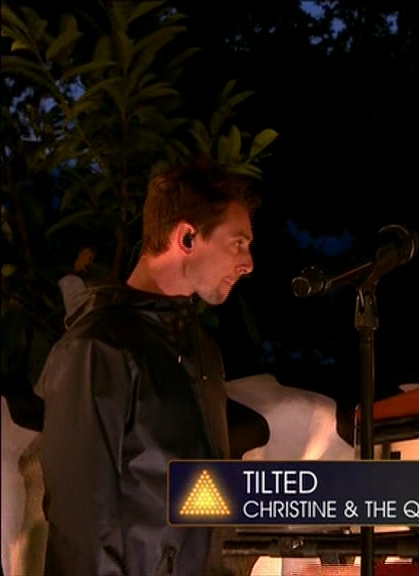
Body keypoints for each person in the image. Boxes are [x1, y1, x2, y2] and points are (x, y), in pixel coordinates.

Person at [35, 156, 259, 575]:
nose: (248, 264)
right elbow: (79, 525)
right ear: (187, 237)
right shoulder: (99, 347)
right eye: (238, 244)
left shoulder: (203, 351)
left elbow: (200, 502)